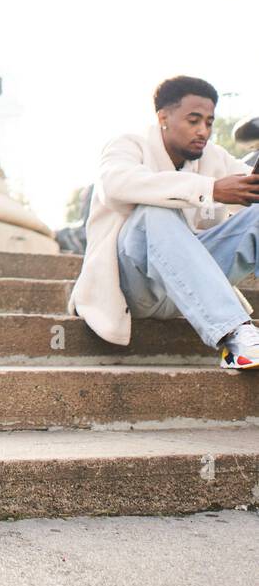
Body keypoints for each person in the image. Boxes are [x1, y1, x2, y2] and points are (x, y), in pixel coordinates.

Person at [69, 75, 259, 369]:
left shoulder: (213, 156)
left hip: (186, 289)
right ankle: (235, 337)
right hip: (135, 288)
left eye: (209, 122)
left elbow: (247, 184)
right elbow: (116, 184)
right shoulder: (128, 145)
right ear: (163, 117)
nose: (203, 131)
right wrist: (210, 190)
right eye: (193, 120)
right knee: (152, 213)